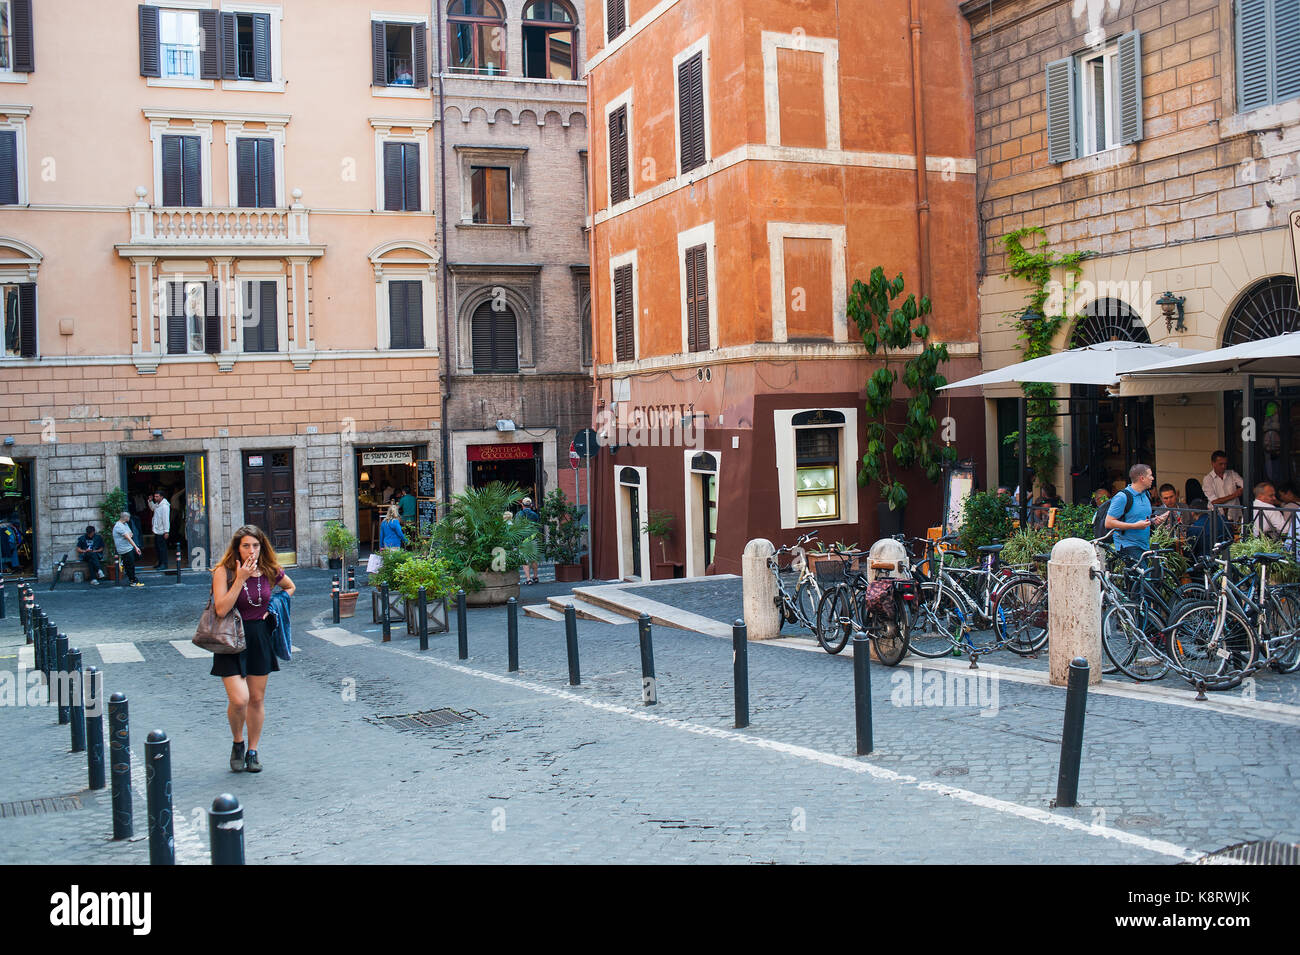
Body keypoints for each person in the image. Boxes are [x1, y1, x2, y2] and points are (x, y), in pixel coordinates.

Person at [211, 525, 294, 774]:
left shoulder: (270, 570)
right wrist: (240, 579)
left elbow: (290, 587)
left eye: (255, 546)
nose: (251, 551)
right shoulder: (223, 572)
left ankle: (253, 750)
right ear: (237, 548)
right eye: (246, 545)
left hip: (259, 637)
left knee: (256, 699)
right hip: (230, 639)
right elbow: (221, 609)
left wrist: (276, 605)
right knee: (239, 700)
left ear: (262, 547)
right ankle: (238, 742)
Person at [1105, 463, 1168, 560]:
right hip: (1128, 546)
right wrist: (1135, 526)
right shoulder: (1122, 497)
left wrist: (1153, 520)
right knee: (1145, 574)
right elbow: (1108, 522)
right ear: (1142, 478)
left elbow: (1139, 519)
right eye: (1150, 475)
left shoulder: (1146, 494)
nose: (1152, 478)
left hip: (1144, 546)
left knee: (1148, 574)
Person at [1203, 450, 1244, 524]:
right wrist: (1235, 495)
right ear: (1213, 463)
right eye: (1220, 464)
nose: (1223, 466)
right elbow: (1214, 502)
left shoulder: (1231, 473)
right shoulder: (1208, 479)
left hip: (1234, 514)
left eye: (1225, 464)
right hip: (1217, 517)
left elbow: (1245, 485)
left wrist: (1241, 490)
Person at [112, 511, 143, 587]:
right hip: (124, 549)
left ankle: (122, 562)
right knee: (130, 565)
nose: (129, 518)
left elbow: (130, 534)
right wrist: (136, 547)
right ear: (125, 517)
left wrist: (128, 536)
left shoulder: (125, 524)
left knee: (134, 560)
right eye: (128, 517)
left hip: (128, 547)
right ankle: (133, 581)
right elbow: (128, 537)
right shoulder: (119, 526)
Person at [518, 496, 541, 584]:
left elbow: (517, 528)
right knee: (534, 559)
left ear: (522, 505)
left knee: (525, 560)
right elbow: (538, 526)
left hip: (523, 540)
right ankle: (535, 577)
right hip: (533, 538)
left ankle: (528, 579)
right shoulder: (535, 515)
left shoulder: (519, 514)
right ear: (531, 505)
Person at [148, 490, 170, 570]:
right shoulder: (158, 504)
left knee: (162, 548)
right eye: (155, 496)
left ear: (162, 497)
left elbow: (166, 519)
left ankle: (164, 564)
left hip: (162, 531)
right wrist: (150, 501)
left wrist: (166, 531)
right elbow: (152, 508)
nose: (155, 498)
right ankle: (160, 563)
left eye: (157, 496)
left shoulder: (164, 506)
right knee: (158, 548)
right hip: (157, 530)